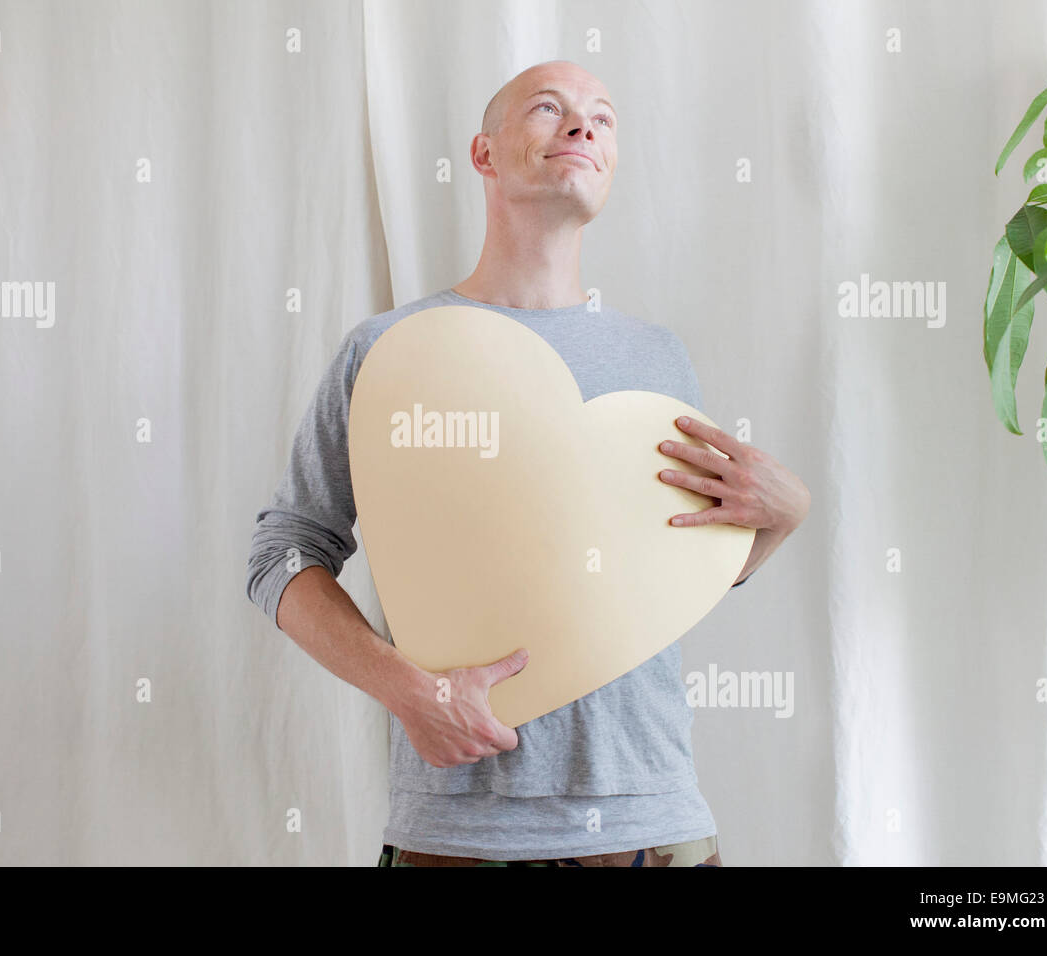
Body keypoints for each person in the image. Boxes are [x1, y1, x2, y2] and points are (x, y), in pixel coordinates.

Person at [246, 59, 810, 867]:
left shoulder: (658, 357)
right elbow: (283, 551)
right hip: (458, 834)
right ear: (483, 154)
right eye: (549, 109)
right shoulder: (388, 352)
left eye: (604, 118)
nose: (584, 126)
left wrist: (782, 524)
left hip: (651, 822)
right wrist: (410, 691)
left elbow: (662, 574)